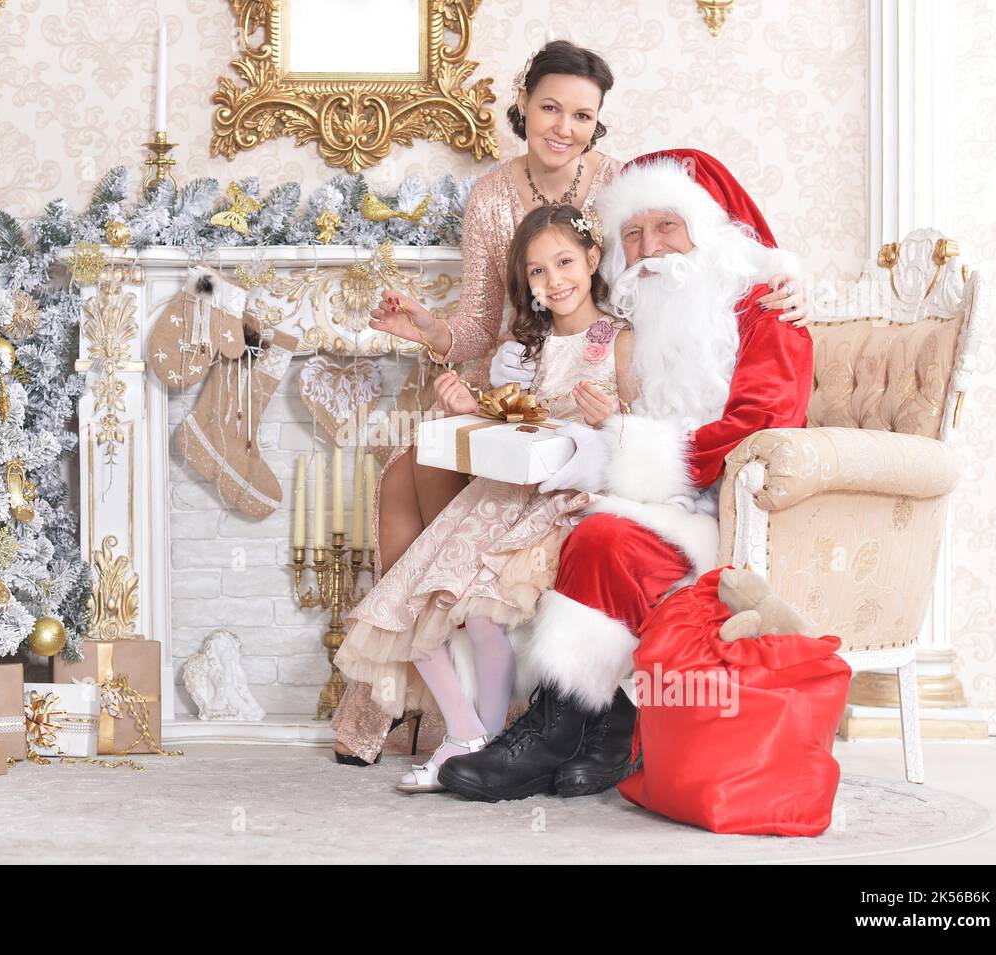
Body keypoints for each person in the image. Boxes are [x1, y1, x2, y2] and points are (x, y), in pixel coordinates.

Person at [330, 40, 806, 767]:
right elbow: (483, 323)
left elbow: (696, 264)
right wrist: (432, 333)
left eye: (583, 115)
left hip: (607, 398)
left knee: (470, 491)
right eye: (550, 107)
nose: (564, 126)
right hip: (543, 388)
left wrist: (795, 277)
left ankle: (499, 709)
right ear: (522, 102)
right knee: (406, 473)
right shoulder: (491, 195)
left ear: (598, 123)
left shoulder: (623, 186)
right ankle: (403, 693)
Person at [437, 148, 815, 802]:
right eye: (633, 233)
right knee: (529, 520)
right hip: (627, 480)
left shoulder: (766, 304)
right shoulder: (635, 307)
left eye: (667, 225)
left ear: (710, 227)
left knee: (602, 537)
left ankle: (557, 731)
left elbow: (760, 425)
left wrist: (629, 445)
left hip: (712, 502)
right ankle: (600, 728)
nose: (649, 247)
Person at [335, 203, 632, 792]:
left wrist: (615, 419)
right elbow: (510, 417)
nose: (554, 282)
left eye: (565, 262)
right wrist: (475, 407)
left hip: (561, 498)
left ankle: (485, 743)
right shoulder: (526, 347)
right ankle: (465, 735)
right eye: (537, 272)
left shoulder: (615, 342)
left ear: (593, 259)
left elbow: (640, 435)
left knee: (480, 613)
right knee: (415, 601)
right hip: (499, 493)